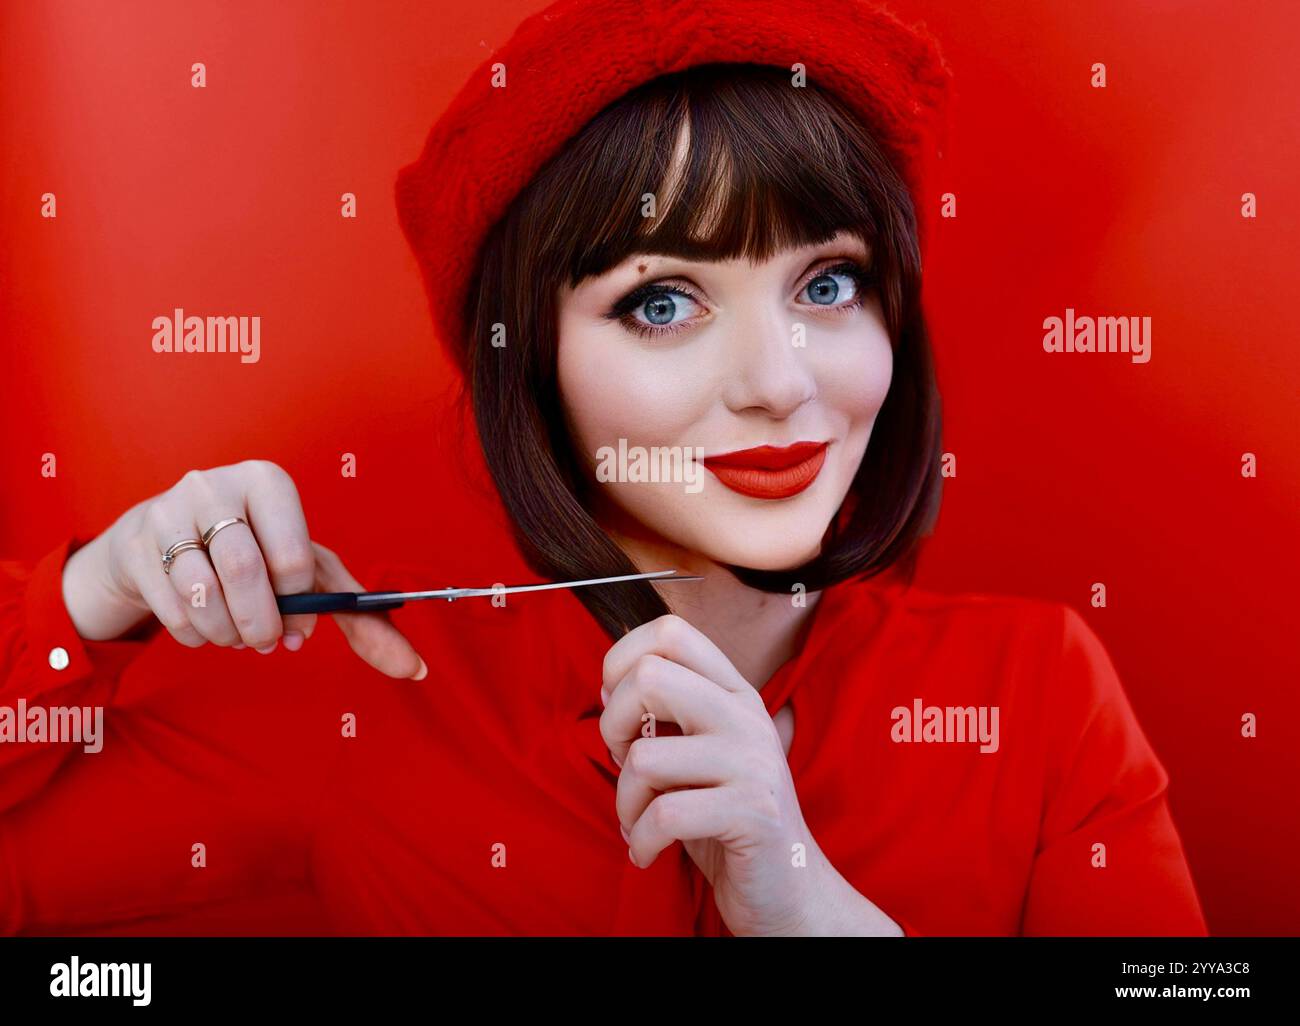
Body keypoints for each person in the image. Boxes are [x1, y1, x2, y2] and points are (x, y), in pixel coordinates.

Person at [0, 0, 1206, 936]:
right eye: (664, 300)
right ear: (530, 371)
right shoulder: (375, 708)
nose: (779, 382)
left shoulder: (1039, 695)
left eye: (828, 283)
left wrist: (810, 913)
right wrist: (83, 601)